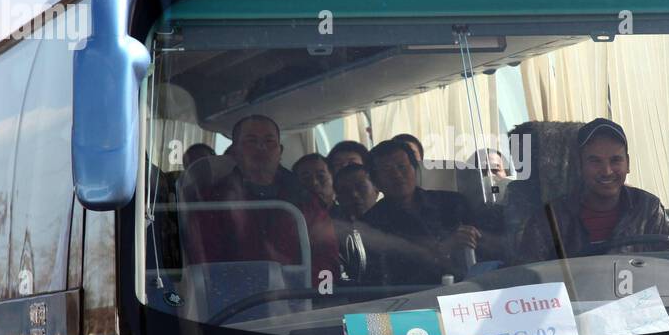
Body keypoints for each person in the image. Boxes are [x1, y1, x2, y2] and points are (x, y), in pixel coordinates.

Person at [184, 115, 337, 284]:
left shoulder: (306, 199)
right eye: (251, 141)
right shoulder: (212, 201)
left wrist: (308, 293)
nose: (261, 147)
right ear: (235, 151)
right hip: (236, 302)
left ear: (280, 150)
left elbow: (326, 257)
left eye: (269, 141)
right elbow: (204, 261)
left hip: (298, 301)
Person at [519, 118, 669, 262]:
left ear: (627, 164)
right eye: (595, 161)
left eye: (615, 160)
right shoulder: (551, 219)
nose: (607, 171)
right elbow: (528, 277)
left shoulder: (649, 209)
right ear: (579, 165)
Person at [361, 139, 480, 285]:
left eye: (402, 167)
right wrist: (442, 249)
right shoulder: (370, 224)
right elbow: (387, 277)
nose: (397, 175)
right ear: (376, 182)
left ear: (415, 169)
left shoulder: (453, 203)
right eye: (387, 171)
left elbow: (486, 245)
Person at [331, 163, 380, 283]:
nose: (354, 195)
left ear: (376, 189)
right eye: (345, 191)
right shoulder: (333, 234)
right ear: (337, 198)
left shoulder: (398, 224)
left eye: (361, 188)